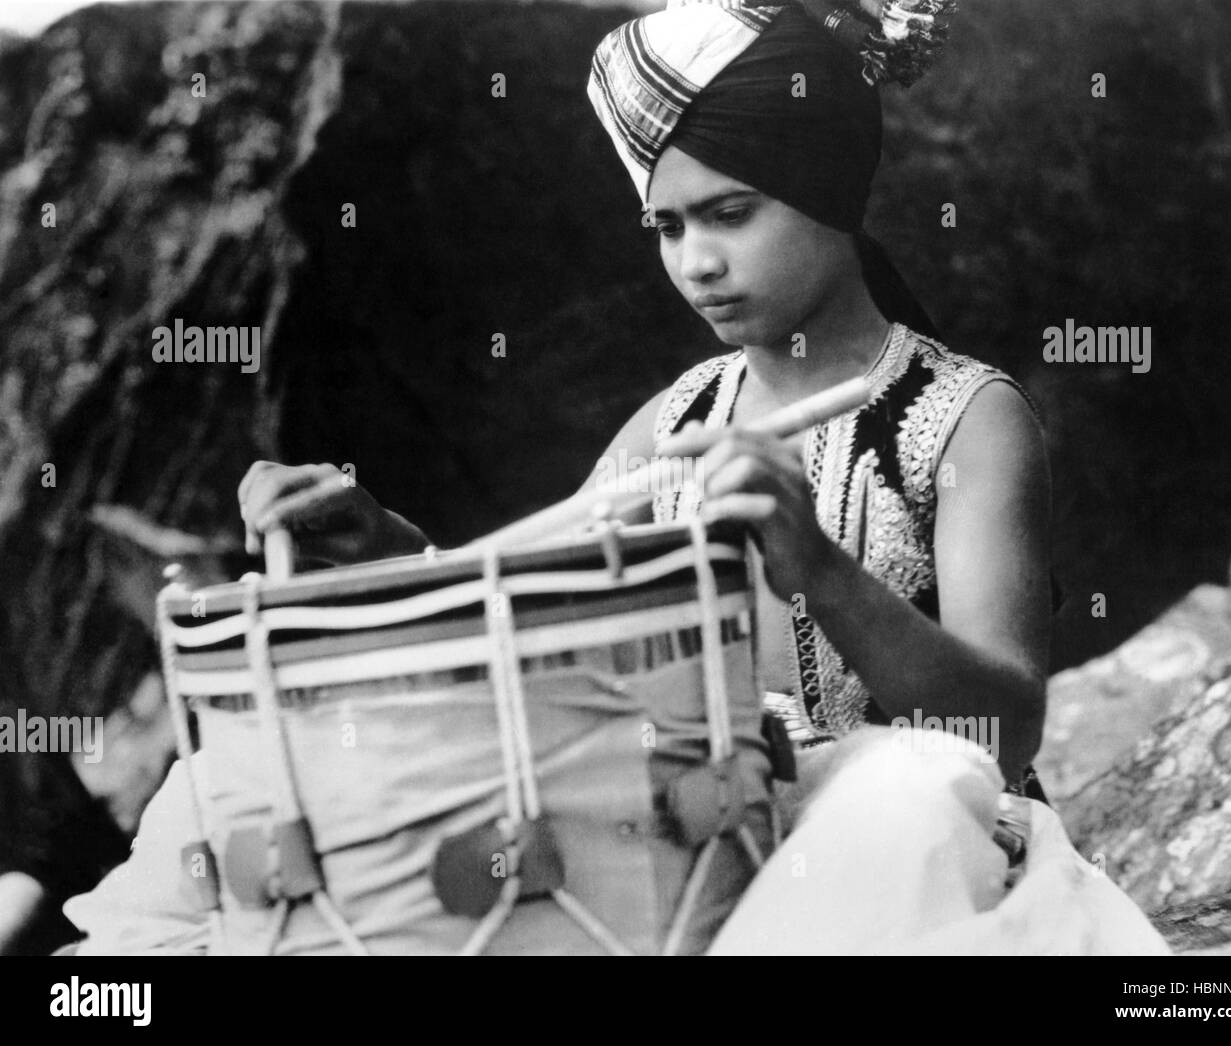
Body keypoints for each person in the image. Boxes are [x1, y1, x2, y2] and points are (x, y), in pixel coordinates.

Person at [69, 0, 1167, 954]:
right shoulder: (678, 420)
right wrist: (382, 547)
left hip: (918, 833)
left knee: (902, 797)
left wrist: (820, 568)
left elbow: (1003, 734)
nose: (695, 260)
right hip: (711, 825)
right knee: (233, 779)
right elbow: (536, 608)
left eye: (731, 214)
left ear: (829, 189)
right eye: (666, 225)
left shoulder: (967, 420)